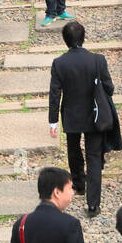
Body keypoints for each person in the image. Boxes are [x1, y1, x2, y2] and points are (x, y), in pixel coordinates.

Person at [48, 20, 113, 216]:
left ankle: (78, 183)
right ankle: (93, 204)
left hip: (72, 114)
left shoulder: (59, 63)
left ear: (65, 40)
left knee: (74, 149)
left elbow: (55, 93)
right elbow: (109, 88)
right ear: (83, 38)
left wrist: (53, 121)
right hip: (95, 115)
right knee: (94, 156)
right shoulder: (98, 60)